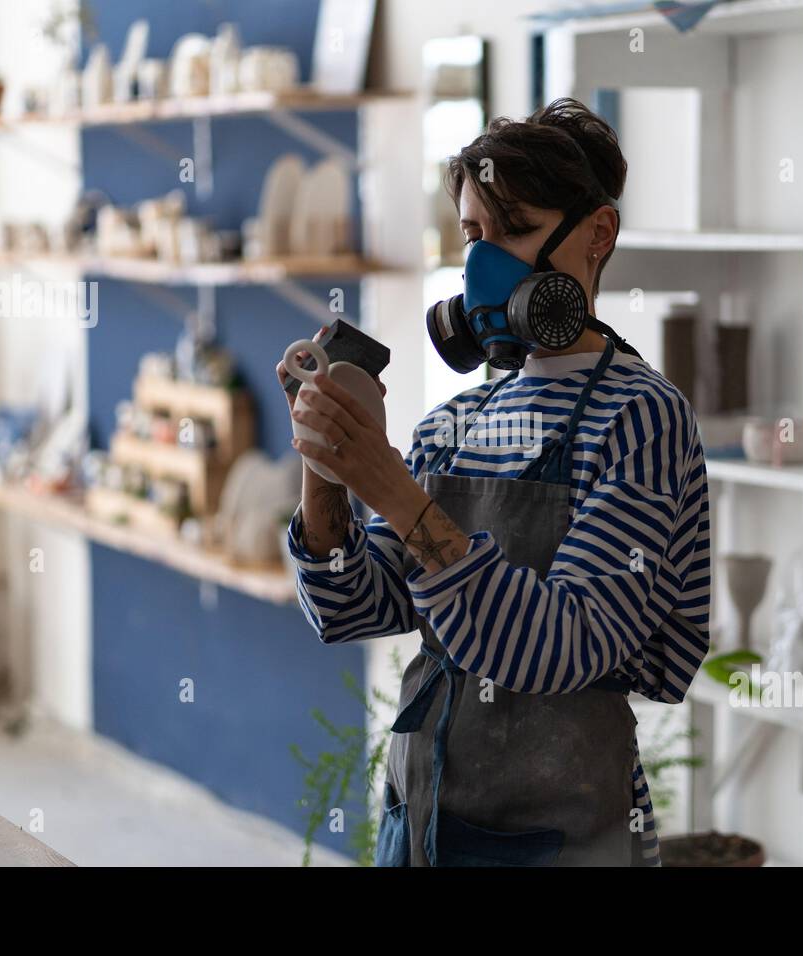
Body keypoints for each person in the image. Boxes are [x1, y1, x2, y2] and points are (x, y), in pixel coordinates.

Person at [276, 98, 711, 867]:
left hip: (564, 835)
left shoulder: (642, 418)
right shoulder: (458, 420)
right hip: (422, 819)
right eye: (475, 234)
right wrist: (327, 467)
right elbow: (350, 606)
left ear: (597, 235)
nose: (483, 262)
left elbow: (564, 645)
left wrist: (393, 488)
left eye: (513, 231)